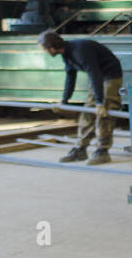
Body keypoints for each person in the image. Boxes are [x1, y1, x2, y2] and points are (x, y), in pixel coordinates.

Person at [37, 31, 123, 165]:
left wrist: (100, 102)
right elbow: (70, 78)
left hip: (110, 75)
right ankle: (80, 148)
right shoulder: (66, 54)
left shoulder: (79, 51)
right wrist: (64, 101)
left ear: (51, 47)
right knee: (87, 113)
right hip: (98, 78)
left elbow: (95, 75)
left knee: (103, 113)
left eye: (44, 49)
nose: (44, 52)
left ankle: (103, 151)